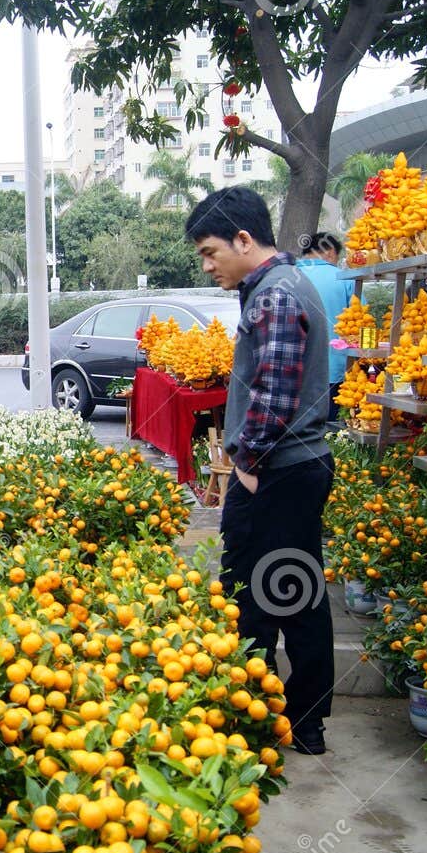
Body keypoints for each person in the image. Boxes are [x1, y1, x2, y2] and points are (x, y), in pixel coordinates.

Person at [186, 187, 336, 756]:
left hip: (279, 469)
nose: (207, 266)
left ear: (244, 240)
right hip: (292, 467)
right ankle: (295, 718)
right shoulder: (284, 285)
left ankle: (270, 715)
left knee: (262, 593)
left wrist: (246, 464)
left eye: (210, 252)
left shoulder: (274, 295)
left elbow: (274, 395)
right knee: (291, 590)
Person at [294, 231, 353, 414]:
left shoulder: (287, 277)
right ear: (330, 252)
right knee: (331, 426)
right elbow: (361, 320)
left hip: (292, 371)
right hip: (333, 370)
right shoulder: (344, 278)